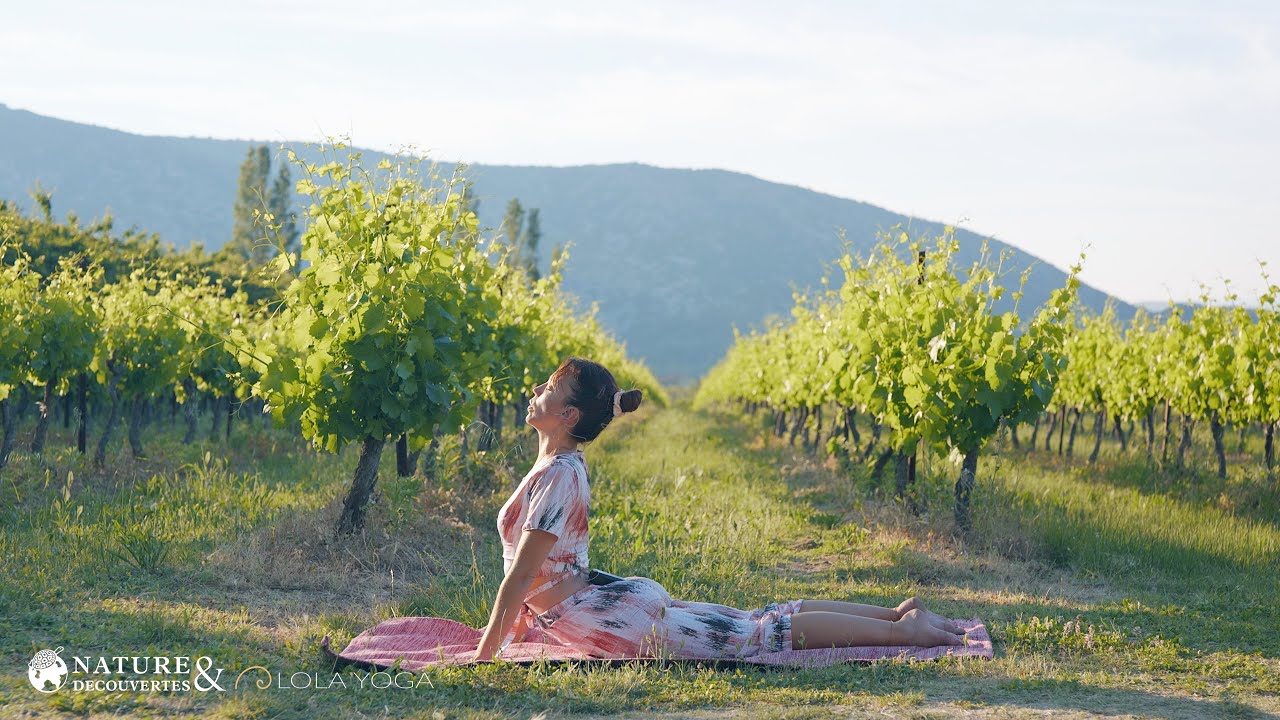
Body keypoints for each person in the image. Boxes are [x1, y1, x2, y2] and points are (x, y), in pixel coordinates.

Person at [471, 357, 967, 662]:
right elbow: (535, 579)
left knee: (758, 635)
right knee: (758, 621)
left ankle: (905, 629)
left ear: (567, 415)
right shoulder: (562, 466)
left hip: (603, 616)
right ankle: (895, 617)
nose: (536, 392)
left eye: (547, 390)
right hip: (601, 601)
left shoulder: (558, 473)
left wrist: (484, 653)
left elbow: (521, 579)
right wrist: (514, 633)